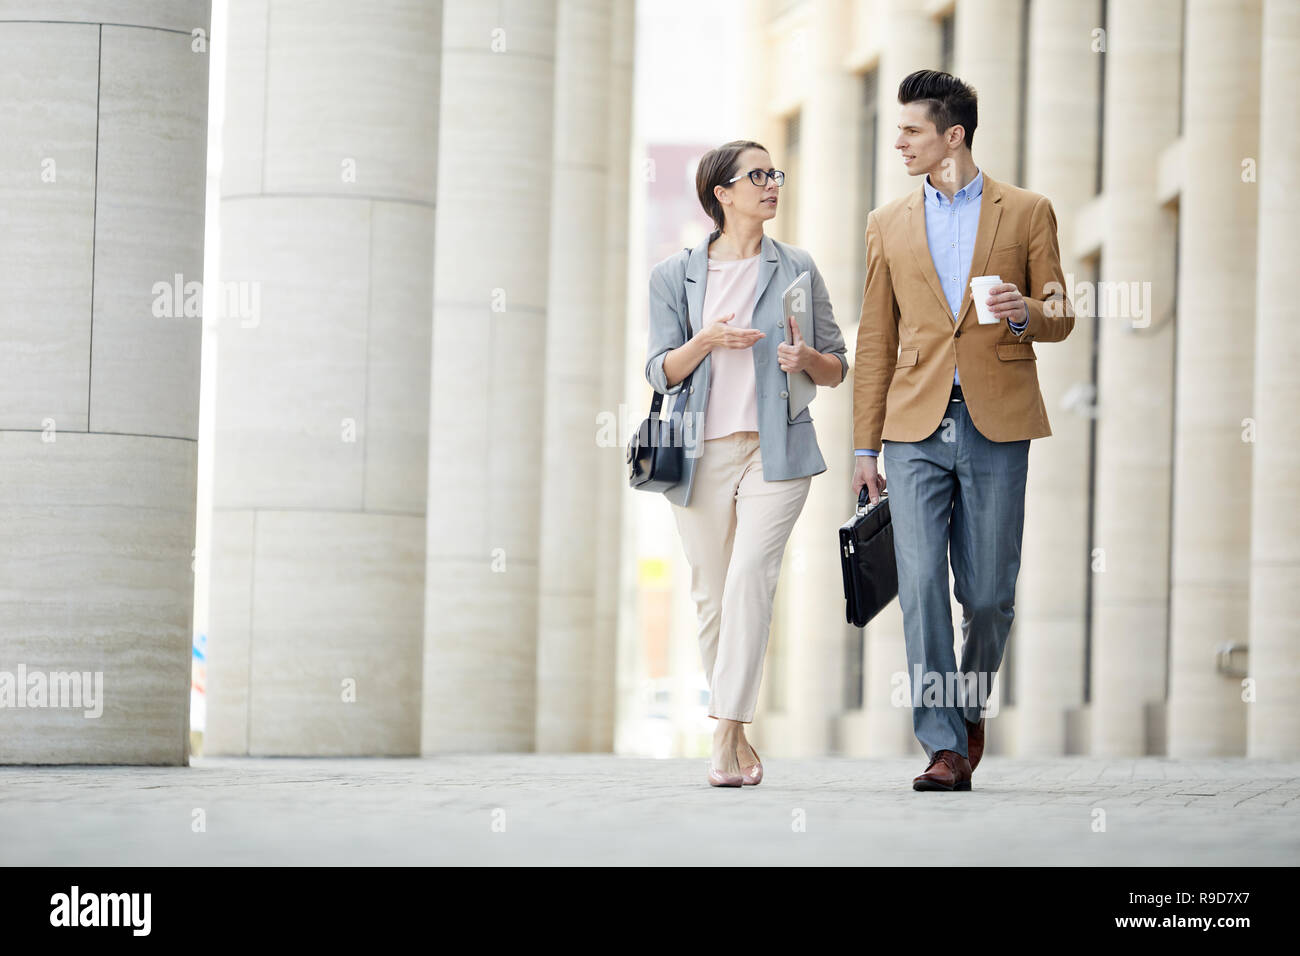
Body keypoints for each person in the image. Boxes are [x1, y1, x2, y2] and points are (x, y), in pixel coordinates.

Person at [851, 70, 1075, 791]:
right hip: (913, 426)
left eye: (912, 131)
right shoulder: (887, 222)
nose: (899, 143)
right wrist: (864, 445)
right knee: (919, 587)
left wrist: (1021, 312)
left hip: (997, 418)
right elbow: (876, 340)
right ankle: (944, 746)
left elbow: (1061, 313)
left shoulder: (1029, 211)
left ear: (954, 137)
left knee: (986, 595)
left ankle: (968, 703)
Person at [644, 140, 849, 788]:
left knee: (749, 579)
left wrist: (803, 362)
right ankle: (740, 735)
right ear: (721, 195)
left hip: (777, 448)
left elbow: (838, 363)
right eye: (756, 175)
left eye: (774, 173)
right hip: (700, 452)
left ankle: (724, 736)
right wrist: (705, 340)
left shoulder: (797, 268)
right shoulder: (673, 276)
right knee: (711, 596)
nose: (771, 184)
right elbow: (659, 368)